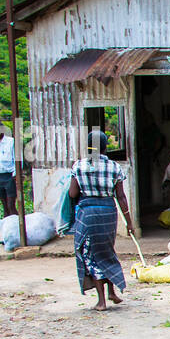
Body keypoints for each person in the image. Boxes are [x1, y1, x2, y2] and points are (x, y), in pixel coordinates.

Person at [69, 129, 135, 311]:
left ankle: (101, 301)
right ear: (106, 147)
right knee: (106, 250)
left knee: (92, 255)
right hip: (108, 213)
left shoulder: (79, 166)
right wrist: (129, 222)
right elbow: (121, 197)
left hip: (88, 213)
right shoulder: (114, 167)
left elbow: (73, 193)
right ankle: (112, 292)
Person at [0, 123, 18, 218]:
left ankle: (18, 225)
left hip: (9, 175)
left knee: (11, 205)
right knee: (4, 205)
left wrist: (16, 174)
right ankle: (8, 225)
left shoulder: (11, 142)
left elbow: (17, 158)